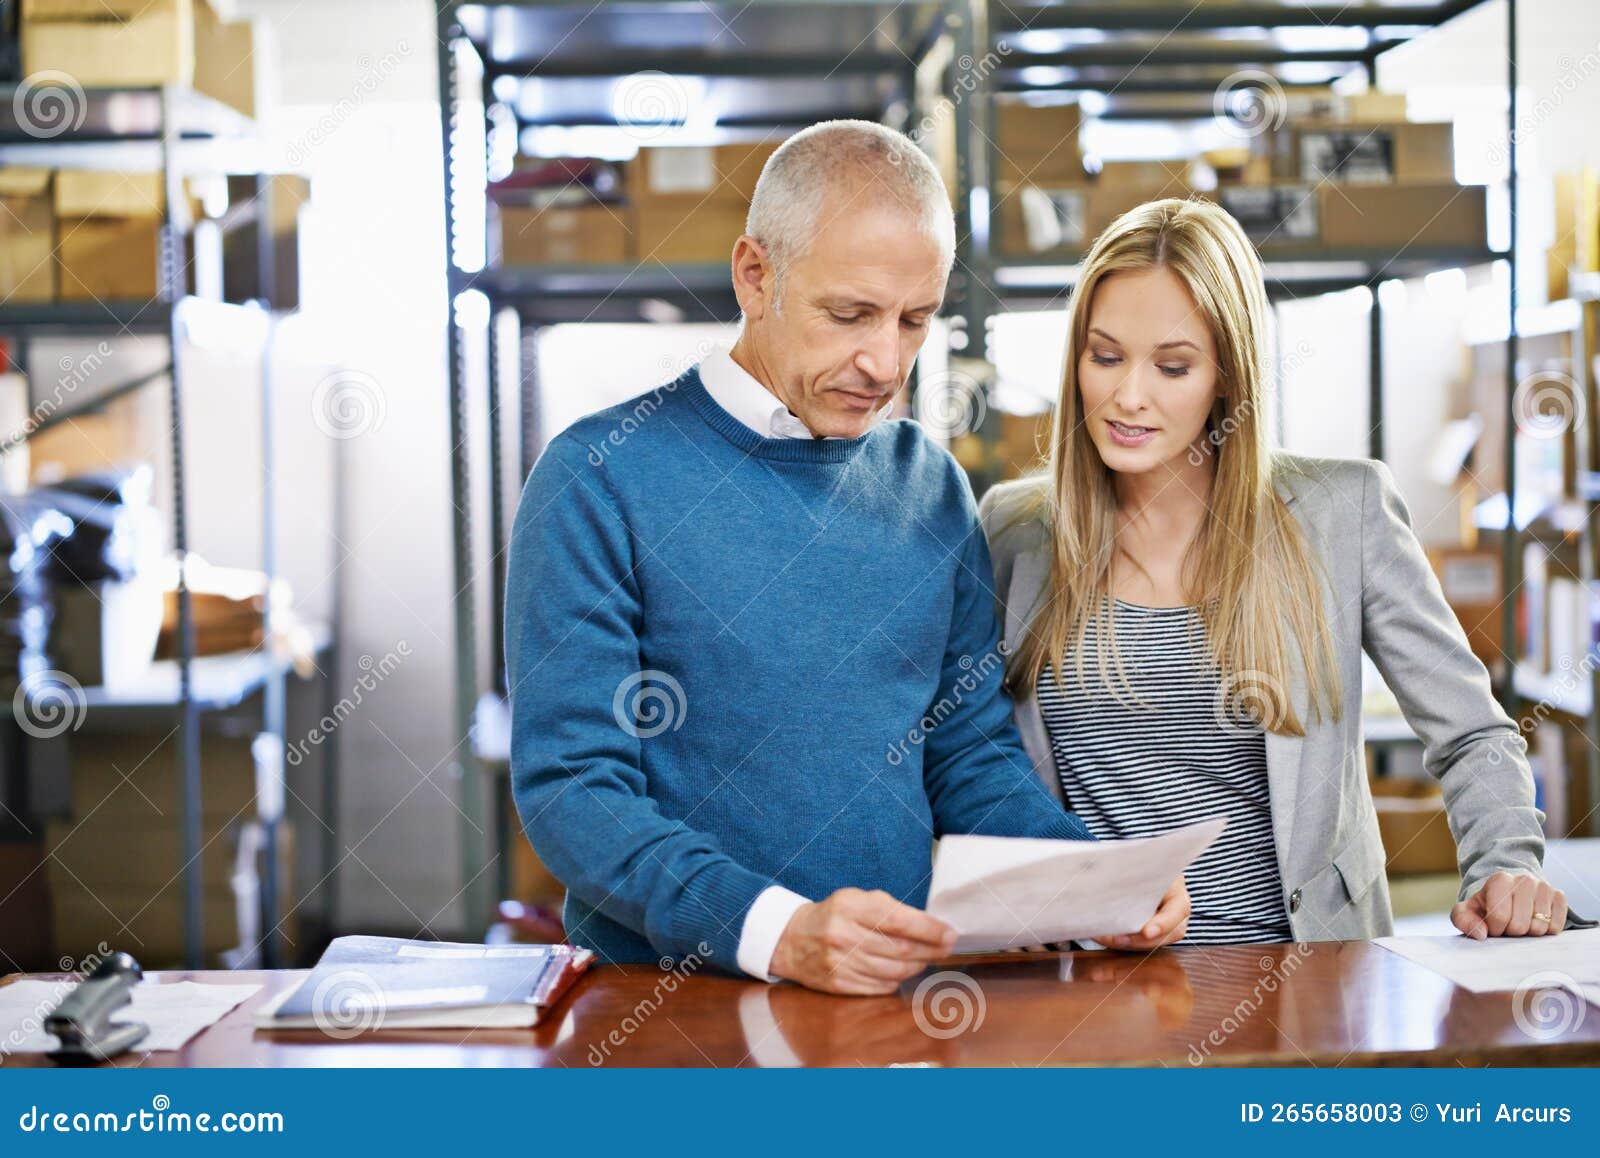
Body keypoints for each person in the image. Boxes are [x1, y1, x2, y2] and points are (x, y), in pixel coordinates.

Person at [504, 121, 1190, 997]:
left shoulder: (929, 487)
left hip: (898, 1004)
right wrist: (781, 933)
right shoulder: (600, 478)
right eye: (850, 314)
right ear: (756, 275)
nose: (885, 361)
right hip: (672, 1010)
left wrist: (1096, 887)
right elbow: (575, 792)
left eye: (915, 320)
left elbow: (969, 754)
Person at [981, 197, 1587, 945]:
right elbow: (979, 755)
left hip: (1303, 980)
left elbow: (1471, 734)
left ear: (1228, 380)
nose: (1126, 396)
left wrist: (1504, 864)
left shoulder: (1343, 512)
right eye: (1104, 356)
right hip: (1090, 987)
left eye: (1172, 366)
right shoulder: (1014, 532)